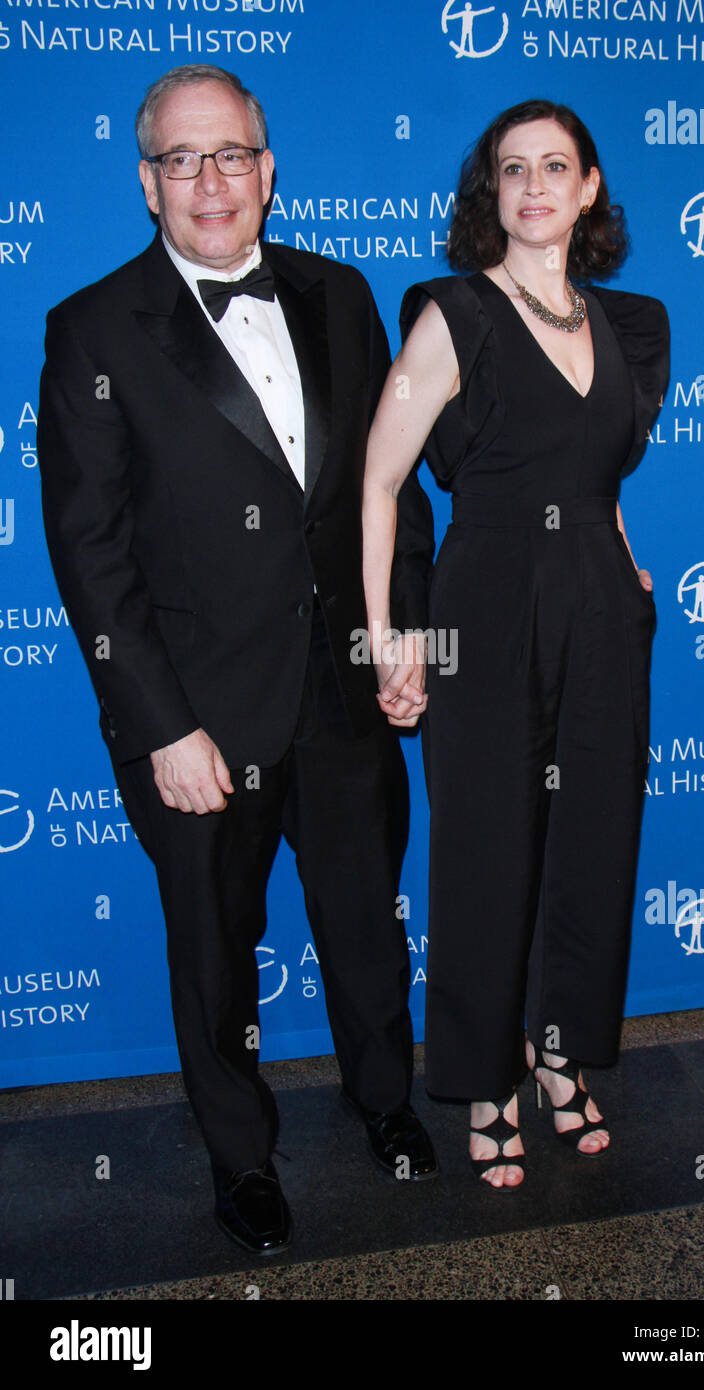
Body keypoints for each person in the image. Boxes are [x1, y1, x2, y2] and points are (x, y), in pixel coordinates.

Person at [37, 63, 437, 1255]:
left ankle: (387, 1102)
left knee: (366, 920)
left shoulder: (342, 294)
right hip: (200, 716)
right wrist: (162, 727)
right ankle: (242, 1160)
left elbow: (389, 490)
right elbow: (90, 555)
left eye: (233, 156)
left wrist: (399, 632)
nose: (211, 181)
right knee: (214, 954)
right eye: (182, 158)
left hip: (342, 693)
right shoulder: (93, 328)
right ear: (146, 181)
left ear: (269, 170)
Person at [363, 100, 669, 1188]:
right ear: (488, 194)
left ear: (589, 188)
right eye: (511, 170)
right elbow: (382, 479)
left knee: (593, 841)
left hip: (600, 600)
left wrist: (624, 561)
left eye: (555, 167)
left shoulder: (632, 326)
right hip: (486, 601)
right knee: (489, 848)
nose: (533, 186)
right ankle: (485, 1076)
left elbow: (604, 475)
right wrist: (388, 636)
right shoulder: (455, 314)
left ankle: (559, 1052)